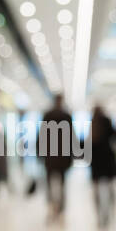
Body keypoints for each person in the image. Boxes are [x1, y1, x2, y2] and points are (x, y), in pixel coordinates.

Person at [38, 93, 75, 223]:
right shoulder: (67, 116)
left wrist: (40, 154)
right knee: (62, 184)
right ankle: (60, 210)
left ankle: (51, 207)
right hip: (63, 157)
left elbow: (41, 136)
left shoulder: (47, 115)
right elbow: (71, 138)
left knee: (49, 184)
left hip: (50, 157)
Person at [88, 105, 116, 228]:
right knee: (111, 187)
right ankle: (110, 211)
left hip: (95, 160)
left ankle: (99, 215)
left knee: (96, 188)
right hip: (108, 159)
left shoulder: (92, 124)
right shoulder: (107, 121)